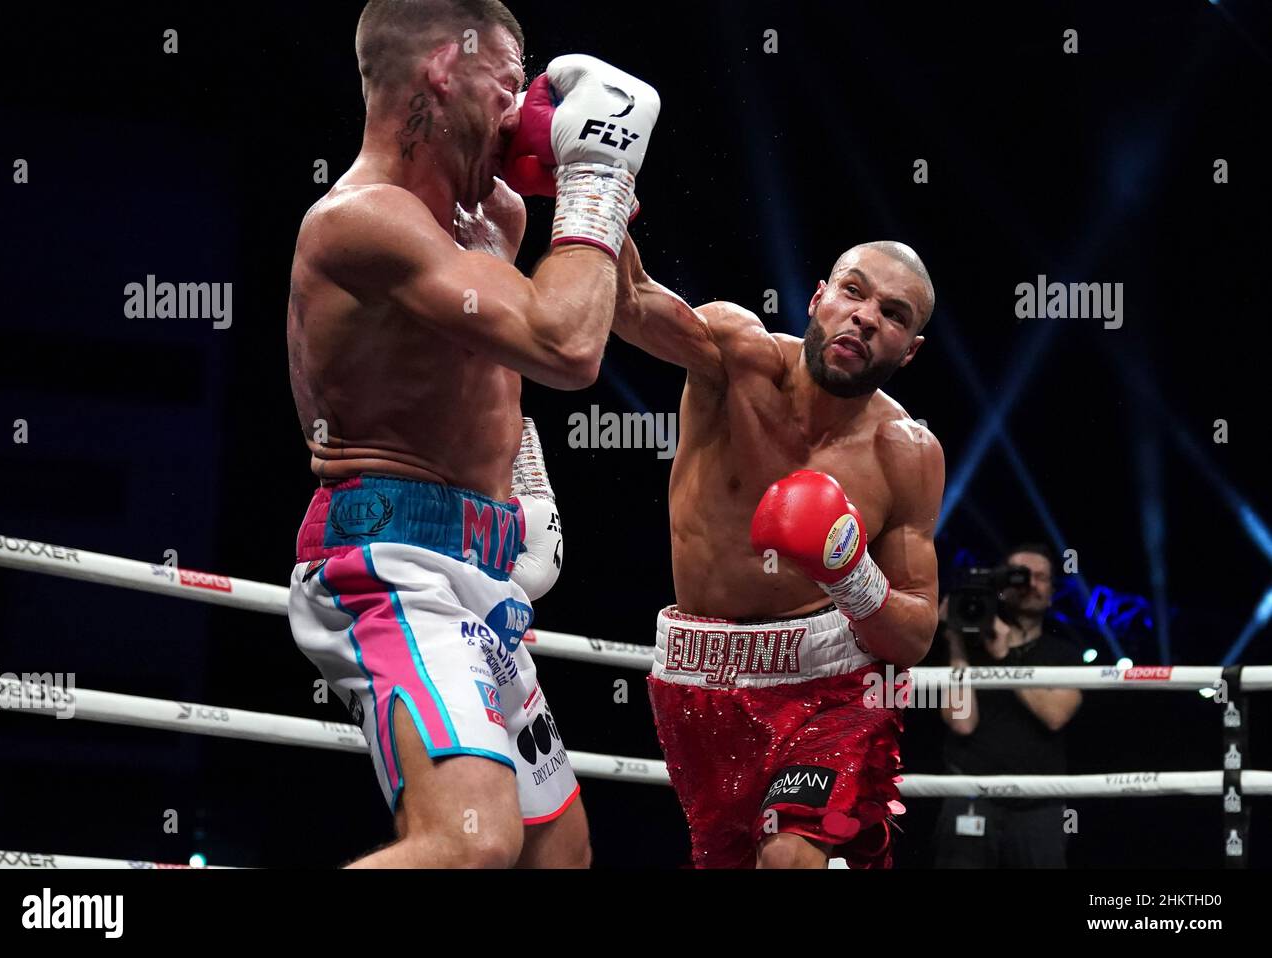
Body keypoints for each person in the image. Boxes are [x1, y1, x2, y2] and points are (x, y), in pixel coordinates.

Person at [285, 0, 660, 867]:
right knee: (469, 844)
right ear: (443, 69)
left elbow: (503, 372)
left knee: (555, 855)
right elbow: (567, 346)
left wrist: (526, 493)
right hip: (387, 562)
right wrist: (598, 174)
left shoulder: (495, 217)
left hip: (484, 571)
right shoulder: (359, 222)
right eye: (509, 72)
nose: (523, 97)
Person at [612, 235, 945, 867]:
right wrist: (598, 186)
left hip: (834, 690)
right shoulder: (734, 356)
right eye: (854, 291)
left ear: (910, 352)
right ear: (819, 297)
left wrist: (853, 577)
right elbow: (628, 304)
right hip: (698, 687)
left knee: (789, 856)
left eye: (895, 314)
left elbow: (915, 634)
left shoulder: (907, 452)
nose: (867, 316)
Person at [935, 542, 1083, 868]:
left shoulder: (1066, 654)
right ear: (1001, 585)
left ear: (1052, 590)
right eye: (1020, 576)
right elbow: (962, 722)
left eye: (1041, 577)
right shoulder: (969, 649)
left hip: (1040, 806)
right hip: (971, 795)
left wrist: (1004, 657)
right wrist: (957, 642)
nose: (1030, 584)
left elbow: (1055, 715)